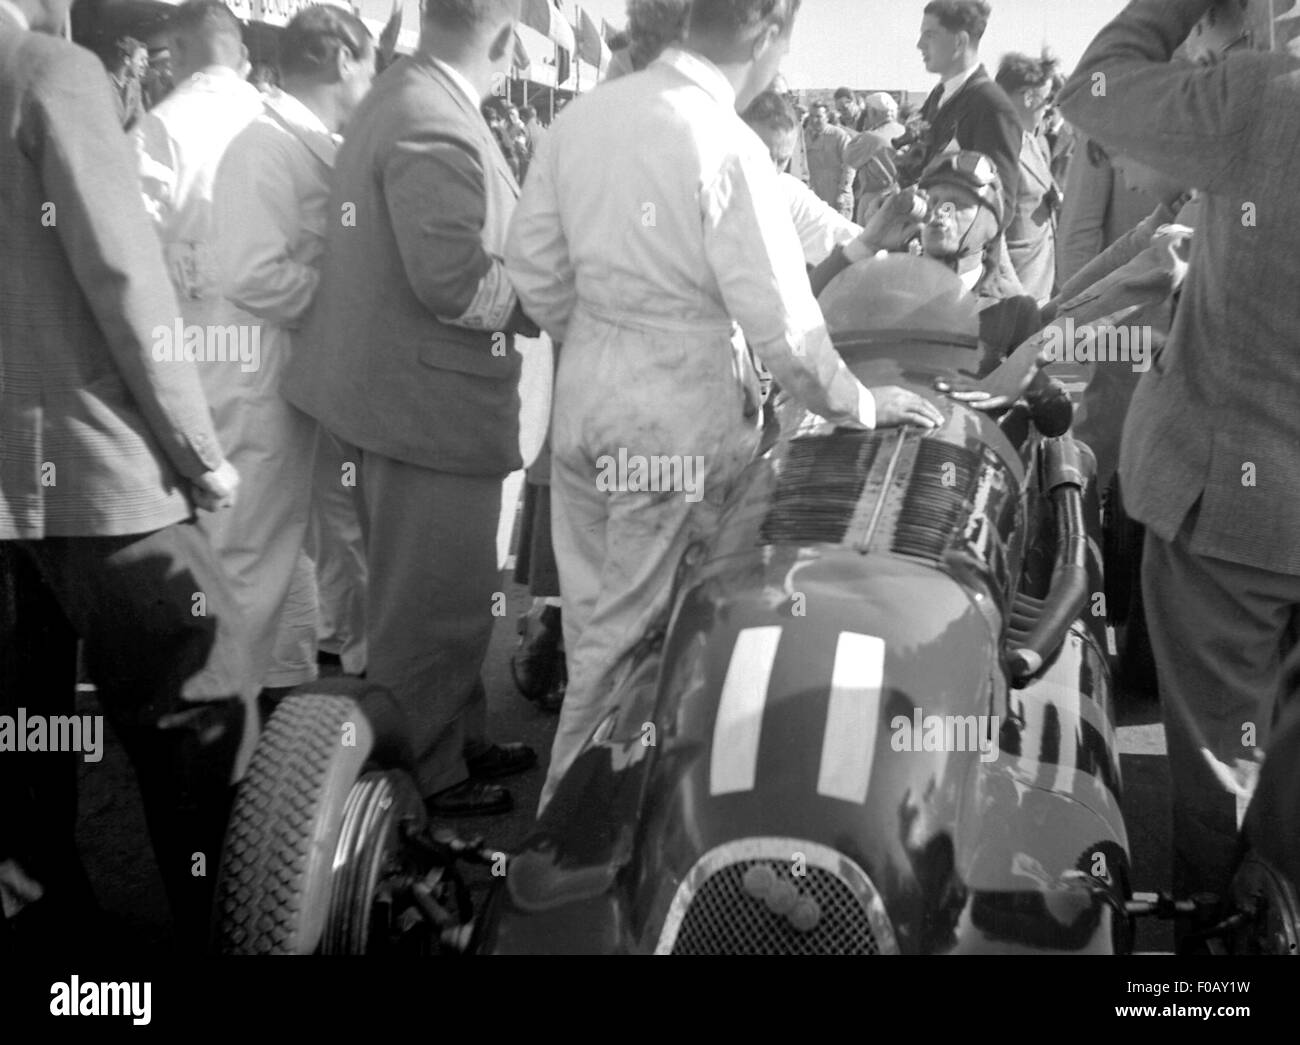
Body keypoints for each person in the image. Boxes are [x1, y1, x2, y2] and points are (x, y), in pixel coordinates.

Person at [506, 0, 944, 813]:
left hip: (586, 404)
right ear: (768, 32)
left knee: (596, 639)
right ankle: (594, 849)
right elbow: (788, 335)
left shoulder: (584, 120)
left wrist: (611, 331)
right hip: (675, 419)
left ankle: (572, 830)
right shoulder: (728, 144)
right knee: (659, 648)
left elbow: (532, 275)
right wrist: (862, 405)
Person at [0, 0, 251, 952]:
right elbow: (124, 280)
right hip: (96, 476)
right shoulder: (50, 74)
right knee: (201, 707)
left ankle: (51, 941)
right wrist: (199, 450)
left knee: (22, 739)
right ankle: (227, 927)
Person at [1059, 0, 1300, 948]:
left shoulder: (1267, 98)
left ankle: (1215, 978)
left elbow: (1097, 85)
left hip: (1231, 519)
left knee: (1219, 798)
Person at [282, 0, 537, 818]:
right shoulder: (435, 117)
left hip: (395, 400)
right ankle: (429, 777)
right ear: (500, 38)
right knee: (434, 606)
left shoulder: (405, 94)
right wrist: (545, 295)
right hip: (426, 412)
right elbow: (452, 281)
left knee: (433, 597)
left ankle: (455, 737)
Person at [207, 5, 377, 707]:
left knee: (310, 555)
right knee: (256, 562)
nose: (372, 83)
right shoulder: (263, 144)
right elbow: (251, 272)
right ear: (341, 60)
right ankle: (226, 734)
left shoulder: (305, 140)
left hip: (303, 382)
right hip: (265, 385)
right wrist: (349, 304)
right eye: (370, 67)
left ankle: (286, 708)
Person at [897, 0, 1021, 231]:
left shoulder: (991, 106)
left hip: (961, 261)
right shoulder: (939, 96)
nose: (919, 44)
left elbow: (999, 207)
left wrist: (937, 216)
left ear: (959, 41)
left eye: (930, 35)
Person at [742, 88, 859, 266]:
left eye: (782, 160)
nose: (772, 170)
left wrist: (875, 238)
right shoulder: (705, 189)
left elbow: (836, 231)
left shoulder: (788, 190)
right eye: (763, 156)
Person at [994, 53, 1061, 305]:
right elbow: (991, 234)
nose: (1047, 111)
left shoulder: (1030, 139)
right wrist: (1016, 297)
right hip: (1014, 292)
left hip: (1039, 283)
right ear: (1028, 97)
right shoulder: (995, 145)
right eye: (1046, 102)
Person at [844, 90, 904, 223]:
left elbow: (849, 157)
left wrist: (865, 131)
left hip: (875, 197)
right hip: (902, 195)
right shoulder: (903, 131)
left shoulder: (871, 137)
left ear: (874, 113)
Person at [803, 100, 855, 216]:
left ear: (827, 117)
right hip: (815, 192)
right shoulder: (805, 135)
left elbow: (850, 164)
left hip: (836, 192)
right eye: (811, 116)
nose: (814, 120)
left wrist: (844, 190)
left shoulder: (838, 135)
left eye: (818, 116)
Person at [105, 35, 148, 130]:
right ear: (127, 60)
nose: (146, 64)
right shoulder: (100, 86)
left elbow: (140, 120)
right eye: (141, 59)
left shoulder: (135, 85)